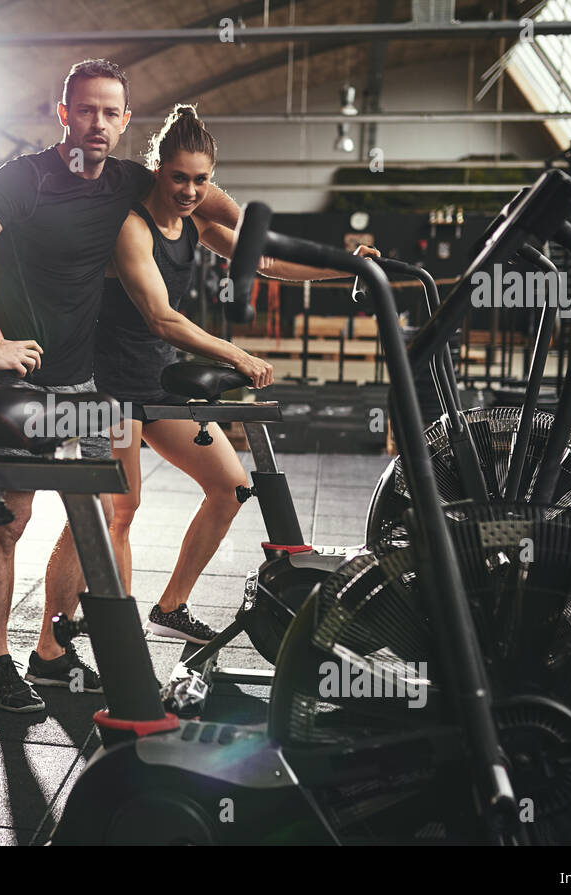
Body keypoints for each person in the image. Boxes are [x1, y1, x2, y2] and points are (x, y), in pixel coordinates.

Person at [0, 60, 248, 713]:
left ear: (125, 121)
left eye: (111, 112)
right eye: (86, 110)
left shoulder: (131, 179)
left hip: (85, 386)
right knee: (9, 521)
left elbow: (210, 200)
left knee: (101, 515)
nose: (97, 123)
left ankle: (50, 655)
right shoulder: (25, 179)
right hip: (18, 387)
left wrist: (270, 235)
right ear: (63, 113)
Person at [98, 104, 376, 644]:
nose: (189, 189)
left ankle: (171, 606)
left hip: (158, 378)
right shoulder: (132, 228)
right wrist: (234, 354)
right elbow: (162, 318)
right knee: (122, 508)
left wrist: (347, 266)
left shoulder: (197, 221)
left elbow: (266, 262)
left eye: (201, 179)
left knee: (230, 488)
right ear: (158, 169)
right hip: (110, 384)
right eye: (178, 177)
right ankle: (112, 637)